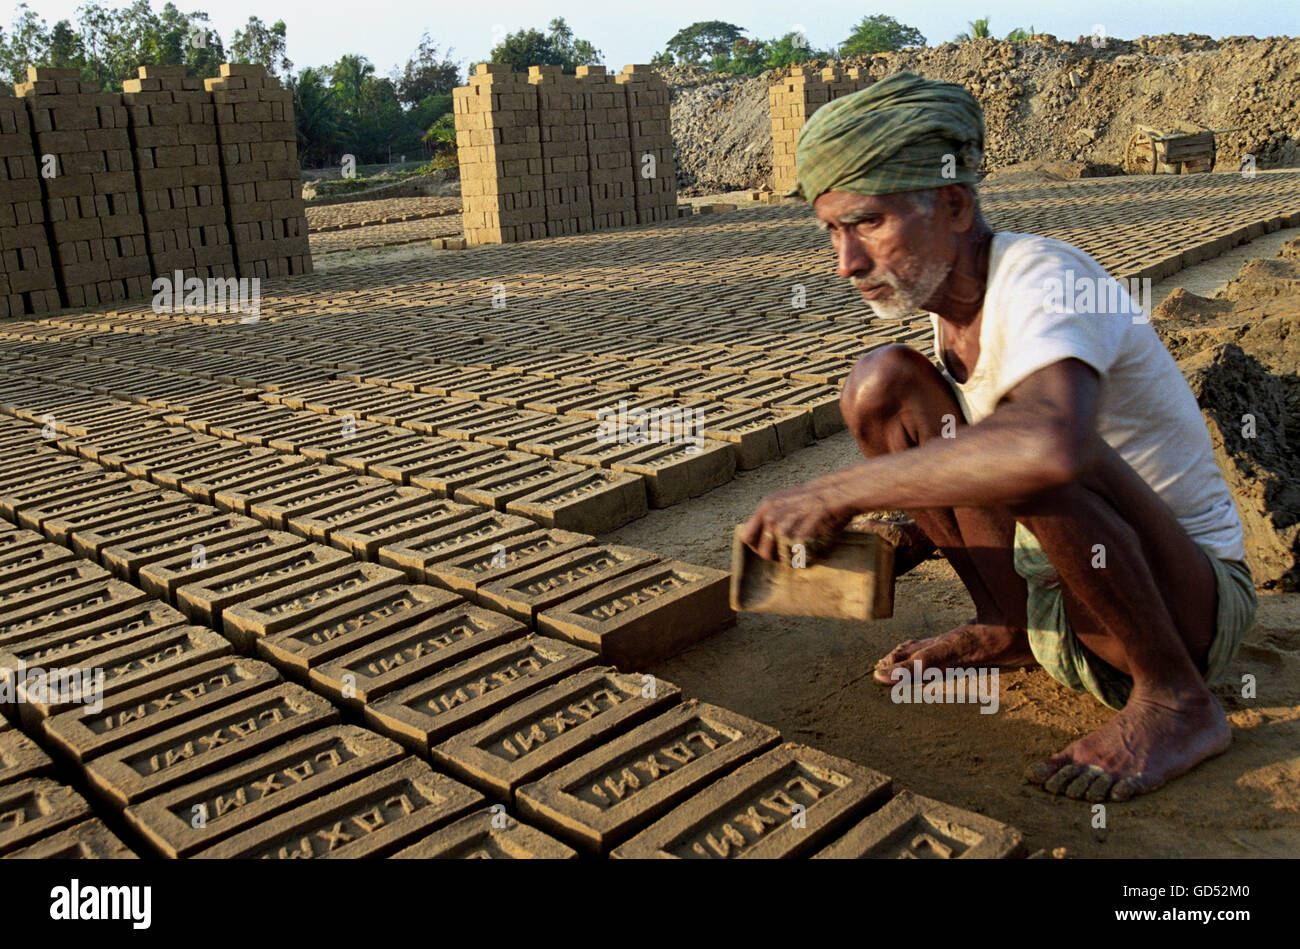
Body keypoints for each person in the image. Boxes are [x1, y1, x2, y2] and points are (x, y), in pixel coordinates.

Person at [739, 72, 1256, 802]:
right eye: (833, 231)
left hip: (1184, 606)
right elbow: (961, 455)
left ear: (954, 204)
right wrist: (907, 533)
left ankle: (1178, 703)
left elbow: (1049, 448)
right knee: (881, 385)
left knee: (1032, 445)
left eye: (869, 224)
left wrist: (836, 492)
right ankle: (1006, 625)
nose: (846, 264)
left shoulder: (1044, 278)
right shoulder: (946, 301)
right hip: (1066, 589)